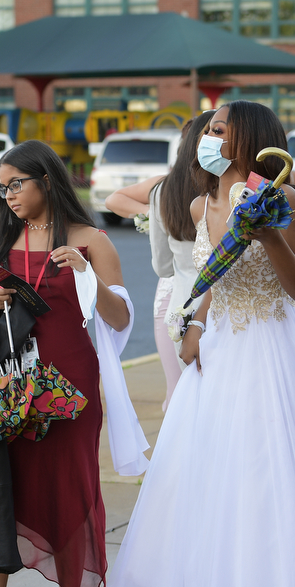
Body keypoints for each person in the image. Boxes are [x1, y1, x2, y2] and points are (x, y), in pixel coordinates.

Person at [108, 101, 295, 587]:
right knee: (212, 478)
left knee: (266, 479)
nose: (208, 136)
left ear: (250, 140)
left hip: (271, 347)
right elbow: (210, 280)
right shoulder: (201, 203)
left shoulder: (286, 199)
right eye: (208, 130)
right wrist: (194, 325)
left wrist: (270, 234)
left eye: (219, 130)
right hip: (217, 349)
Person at [0, 139, 134, 587]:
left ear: (46, 179)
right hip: (8, 382)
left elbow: (120, 318)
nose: (9, 194)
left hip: (72, 388)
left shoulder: (91, 241)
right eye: (2, 186)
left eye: (17, 183)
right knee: (0, 489)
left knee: (69, 493)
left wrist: (86, 277)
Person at [104, 111, 214, 410]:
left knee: (182, 392)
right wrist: (154, 213)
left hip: (181, 300)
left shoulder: (166, 190)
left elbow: (163, 267)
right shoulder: (239, 190)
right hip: (226, 306)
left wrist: (159, 213)